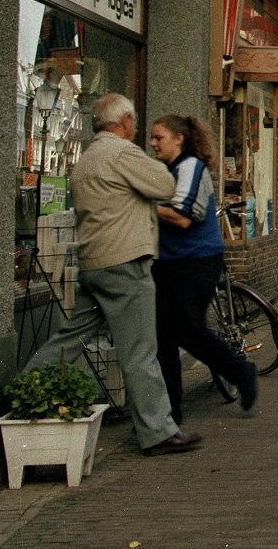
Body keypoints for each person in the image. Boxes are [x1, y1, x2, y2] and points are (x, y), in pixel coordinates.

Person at [19, 93, 200, 456]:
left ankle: (24, 387)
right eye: (134, 123)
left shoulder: (85, 159)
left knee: (70, 339)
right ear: (125, 122)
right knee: (140, 351)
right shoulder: (121, 152)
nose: (138, 132)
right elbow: (165, 187)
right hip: (125, 261)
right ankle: (158, 432)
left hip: (93, 263)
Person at [149, 114, 258, 420]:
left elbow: (184, 216)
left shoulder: (190, 167)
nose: (153, 142)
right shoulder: (168, 169)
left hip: (196, 261)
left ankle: (241, 371)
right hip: (170, 262)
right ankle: (170, 413)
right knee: (164, 338)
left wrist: (141, 204)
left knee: (188, 330)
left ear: (178, 139)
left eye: (159, 137)